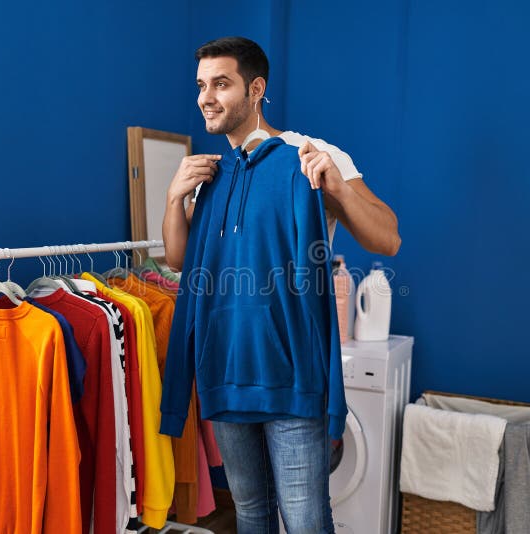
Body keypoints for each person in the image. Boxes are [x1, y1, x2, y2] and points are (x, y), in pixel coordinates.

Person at [160, 36, 401, 534]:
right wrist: (173, 199)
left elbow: (389, 238)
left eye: (221, 83)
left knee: (306, 518)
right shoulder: (210, 175)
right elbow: (182, 262)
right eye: (202, 85)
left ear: (256, 89)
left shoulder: (310, 155)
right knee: (249, 513)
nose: (207, 96)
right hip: (226, 371)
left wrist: (335, 185)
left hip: (293, 376)